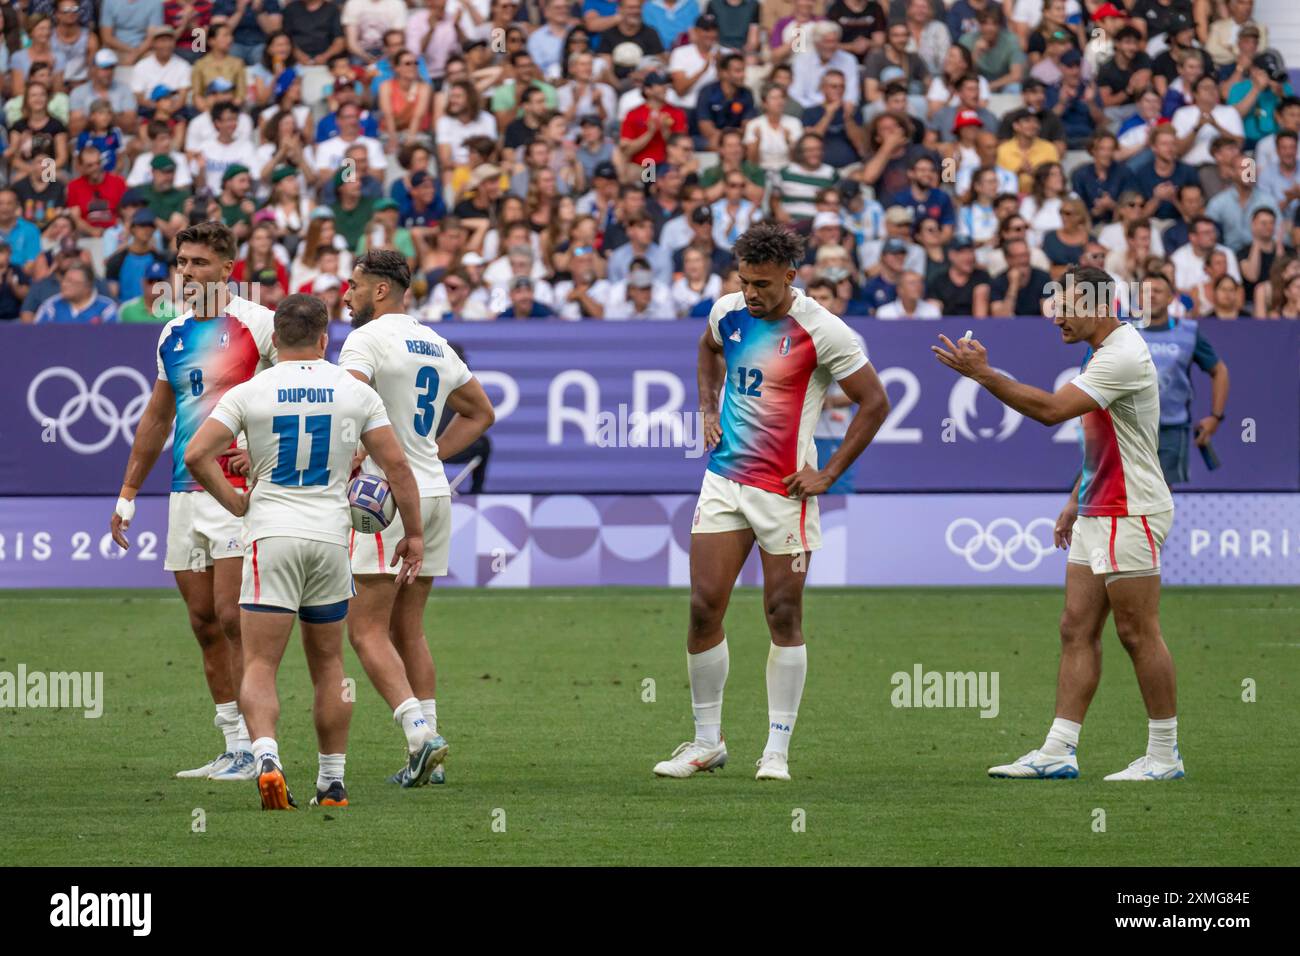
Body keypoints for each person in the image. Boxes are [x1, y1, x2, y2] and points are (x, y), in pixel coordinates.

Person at [652, 222, 889, 782]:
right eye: (744, 281)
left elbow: (874, 402)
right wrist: (708, 406)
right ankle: (706, 742)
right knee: (703, 606)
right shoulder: (727, 312)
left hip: (784, 491)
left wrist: (828, 472)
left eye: (762, 284)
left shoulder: (824, 330)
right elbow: (708, 350)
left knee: (783, 613)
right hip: (725, 481)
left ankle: (776, 750)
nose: (751, 294)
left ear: (790, 276)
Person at [933, 265, 1183, 782]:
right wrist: (1076, 496)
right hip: (1100, 505)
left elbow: (1051, 411)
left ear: (1098, 305)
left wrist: (984, 374)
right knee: (1076, 628)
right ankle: (1058, 750)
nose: (1056, 318)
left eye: (1065, 307)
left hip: (1129, 509)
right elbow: (1106, 439)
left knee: (1137, 632)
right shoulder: (1102, 352)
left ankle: (1164, 756)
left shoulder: (1123, 354)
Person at [182, 292, 424, 809]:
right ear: (324, 338)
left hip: (271, 537)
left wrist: (235, 502)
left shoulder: (251, 390)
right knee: (330, 665)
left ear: (278, 339)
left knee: (261, 664)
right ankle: (332, 783)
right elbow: (399, 469)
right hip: (331, 540)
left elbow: (196, 453)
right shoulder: (353, 391)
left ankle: (266, 755)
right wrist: (416, 534)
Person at [109, 221, 277, 783]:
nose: (186, 273)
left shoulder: (260, 325)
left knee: (234, 617)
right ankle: (232, 745)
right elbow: (158, 417)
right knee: (204, 622)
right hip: (184, 493)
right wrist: (129, 492)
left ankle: (261, 747)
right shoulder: (171, 334)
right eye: (181, 263)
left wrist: (262, 452)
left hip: (236, 495)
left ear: (228, 268)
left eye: (199, 263)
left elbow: (295, 393)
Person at [1134, 272, 1230, 485]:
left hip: (1172, 428)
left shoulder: (1188, 331)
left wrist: (1216, 416)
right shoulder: (1124, 331)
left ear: (1171, 298)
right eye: (1146, 291)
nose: (1152, 296)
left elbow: (1219, 371)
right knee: (1127, 494)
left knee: (1162, 498)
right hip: (1130, 428)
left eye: (1158, 291)